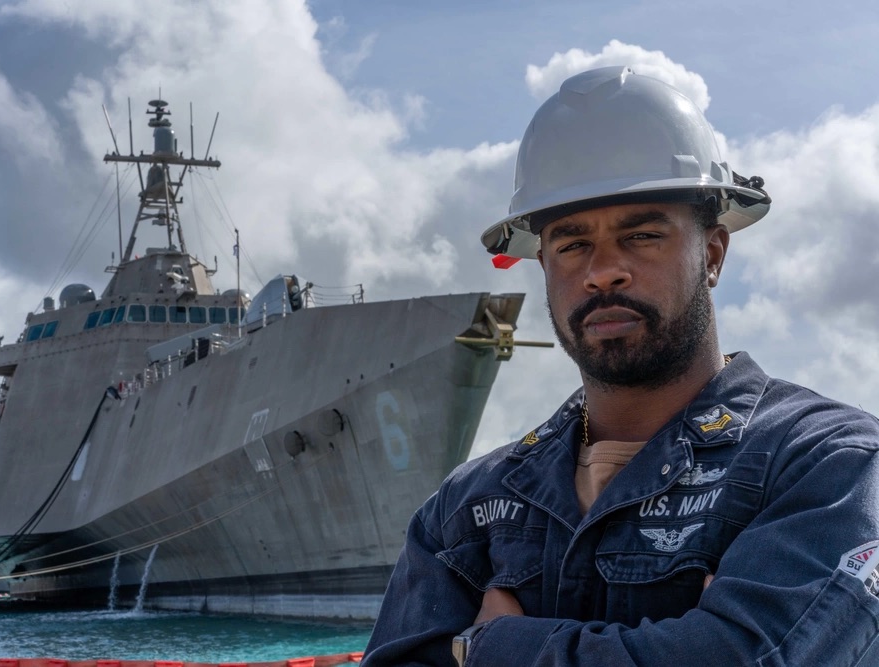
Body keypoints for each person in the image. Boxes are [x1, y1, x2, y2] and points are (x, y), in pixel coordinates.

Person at [361, 66, 879, 666]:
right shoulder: (467, 507)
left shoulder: (830, 464)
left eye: (641, 235)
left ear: (711, 254)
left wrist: (490, 648)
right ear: (545, 268)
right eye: (572, 243)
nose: (603, 270)